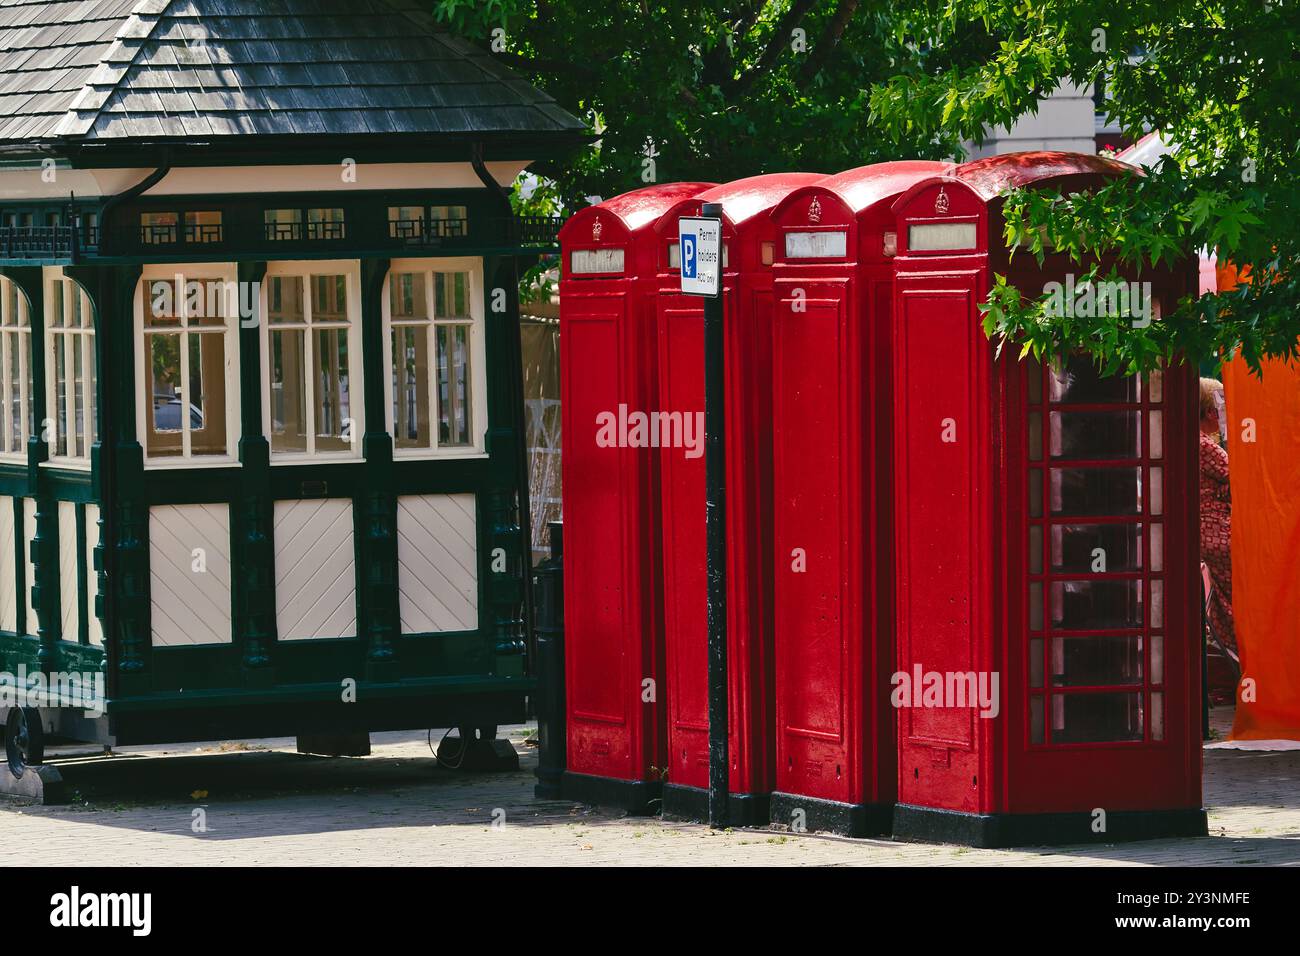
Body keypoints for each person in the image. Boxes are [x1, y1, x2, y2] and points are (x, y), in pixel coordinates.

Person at [1199, 376, 1235, 655]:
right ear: (1211, 412)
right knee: (1246, 592)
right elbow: (1242, 477)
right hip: (1219, 535)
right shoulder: (1205, 446)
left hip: (1204, 534)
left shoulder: (1194, 441)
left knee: (1227, 599)